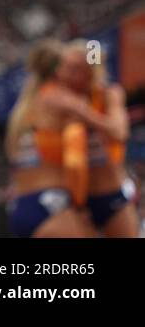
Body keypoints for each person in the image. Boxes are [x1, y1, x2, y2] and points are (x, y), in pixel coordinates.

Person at [4, 39, 95, 237]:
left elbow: (12, 158)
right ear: (59, 69)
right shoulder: (62, 101)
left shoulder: (21, 111)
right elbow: (76, 162)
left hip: (22, 206)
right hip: (54, 201)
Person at [58, 40, 138, 237]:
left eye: (75, 68)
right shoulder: (57, 100)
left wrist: (82, 112)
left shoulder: (108, 94)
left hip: (111, 194)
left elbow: (119, 132)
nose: (67, 73)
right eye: (66, 67)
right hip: (73, 202)